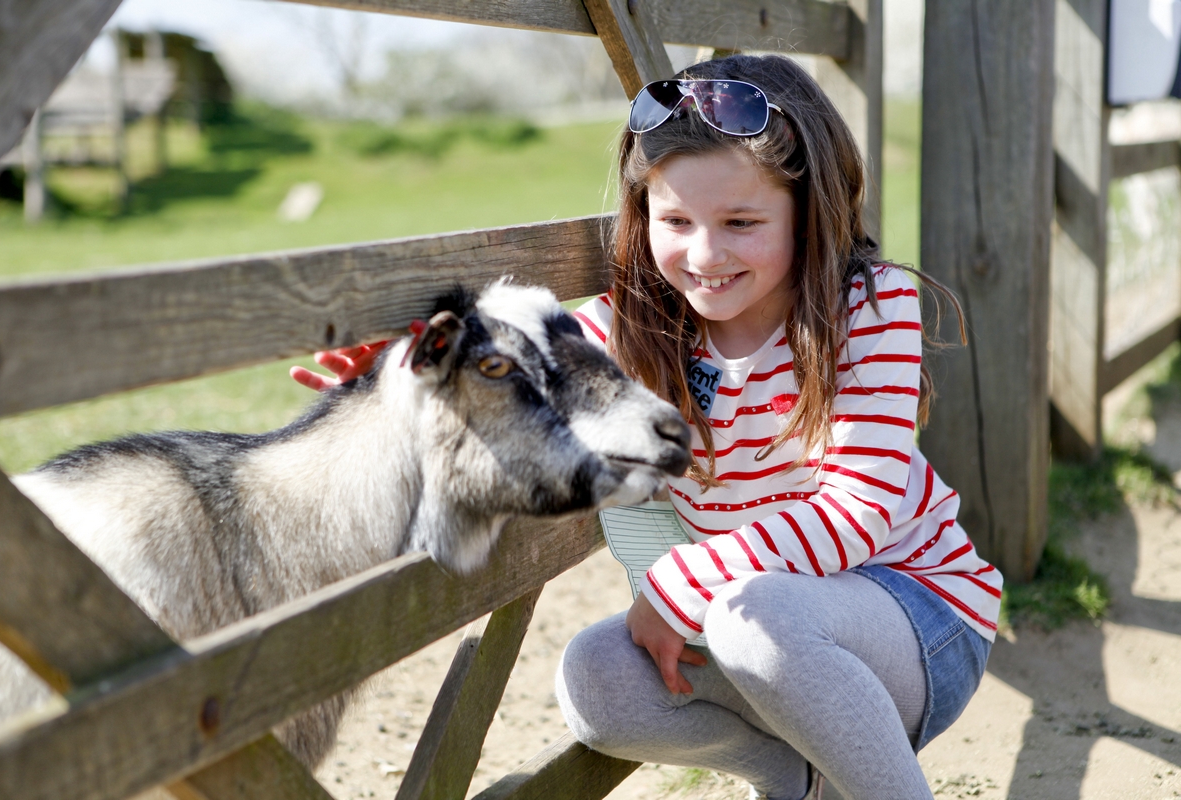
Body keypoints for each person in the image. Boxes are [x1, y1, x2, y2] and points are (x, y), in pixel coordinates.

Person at [294, 53, 1001, 800]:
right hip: (760, 622)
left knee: (747, 615)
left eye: (741, 222)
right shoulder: (636, 330)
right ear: (644, 214)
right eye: (675, 221)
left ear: (808, 208)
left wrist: (680, 581)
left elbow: (856, 515)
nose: (704, 255)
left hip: (918, 616)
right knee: (595, 678)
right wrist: (399, 371)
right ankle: (791, 778)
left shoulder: (867, 306)